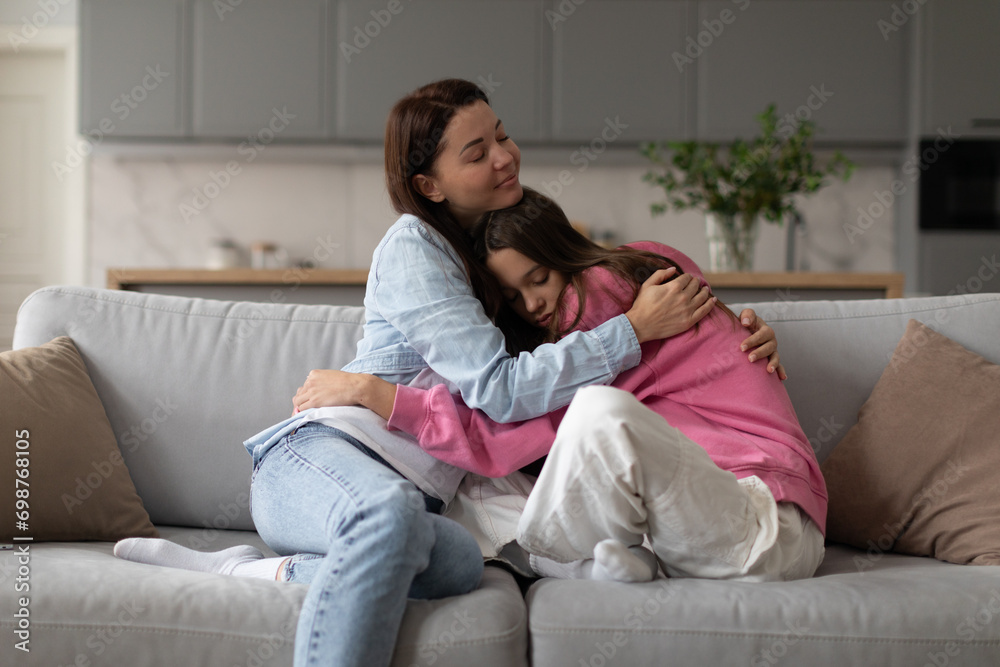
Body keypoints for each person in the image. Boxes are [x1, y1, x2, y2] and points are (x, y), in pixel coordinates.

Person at [113, 80, 782, 666]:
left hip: (420, 506)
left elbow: (581, 358)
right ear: (429, 184)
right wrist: (632, 330)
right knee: (392, 513)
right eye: (477, 150)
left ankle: (256, 571)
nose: (504, 154)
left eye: (502, 135)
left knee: (464, 562)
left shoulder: (501, 262)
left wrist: (730, 335)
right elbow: (500, 390)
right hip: (321, 459)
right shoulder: (416, 246)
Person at [306, 187, 827, 584]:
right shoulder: (632, 286)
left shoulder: (608, 298)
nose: (531, 304)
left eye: (539, 278)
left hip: (762, 517)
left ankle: (549, 555)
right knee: (478, 489)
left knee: (597, 414)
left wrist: (374, 393)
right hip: (701, 524)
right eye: (512, 297)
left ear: (564, 256)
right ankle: (609, 559)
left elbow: (500, 435)